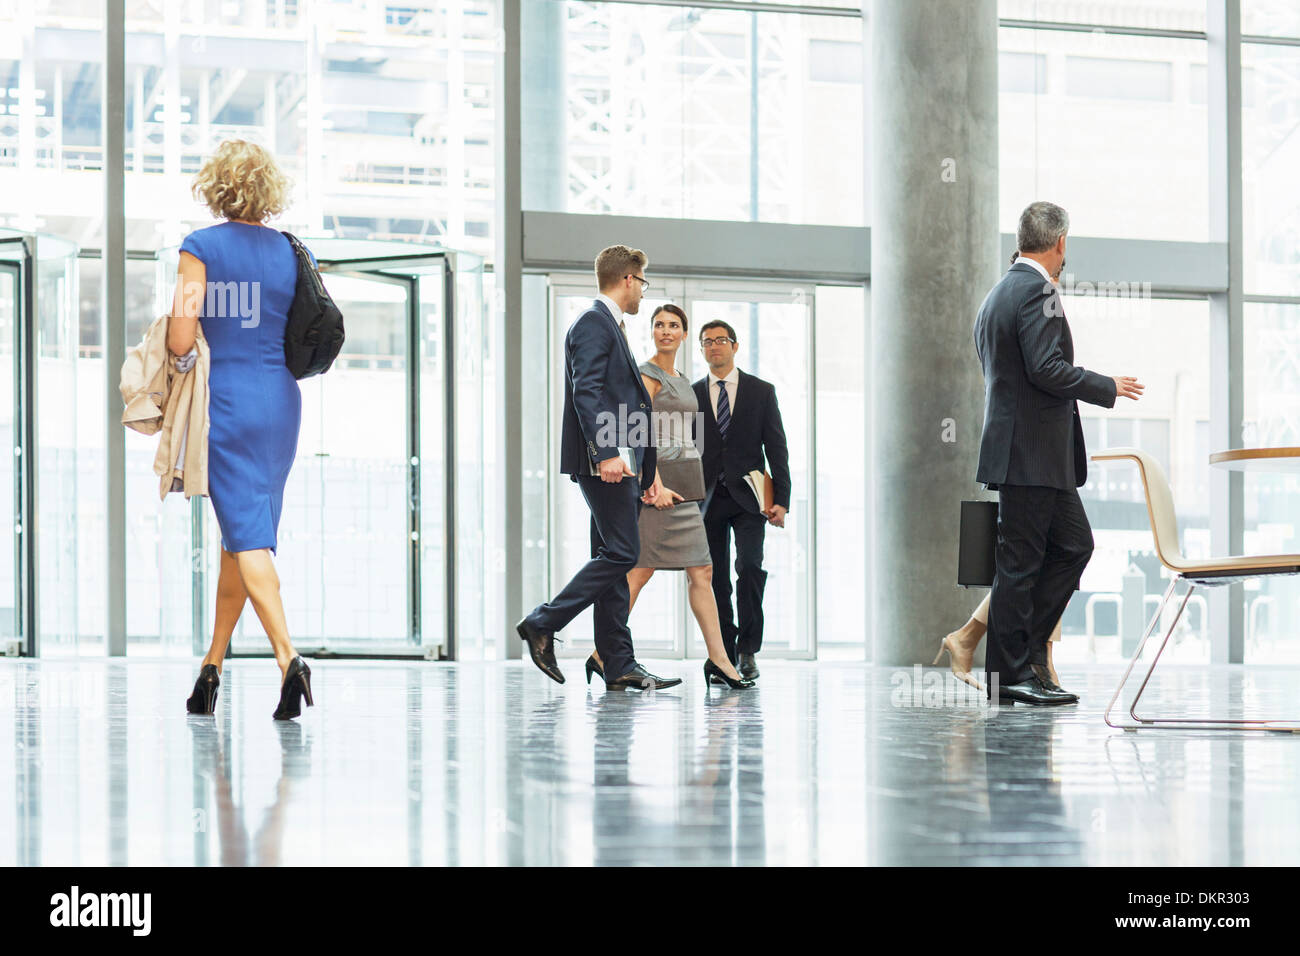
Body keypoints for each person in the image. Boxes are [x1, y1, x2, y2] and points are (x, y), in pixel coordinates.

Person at [973, 200, 1144, 705]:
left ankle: (1025, 656)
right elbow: (1047, 368)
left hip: (1033, 456)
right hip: (1029, 455)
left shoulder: (997, 295)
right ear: (1061, 242)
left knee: (1074, 545)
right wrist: (1105, 385)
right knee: (1020, 565)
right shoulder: (1036, 291)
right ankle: (1010, 679)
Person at [174, 139, 314, 720]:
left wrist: (177, 365)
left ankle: (289, 660)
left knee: (246, 536)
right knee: (243, 534)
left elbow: (182, 339)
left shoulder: (200, 247)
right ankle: (211, 668)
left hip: (226, 401)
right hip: (280, 401)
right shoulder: (289, 250)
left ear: (216, 188)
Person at [516, 245, 682, 691]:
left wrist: (644, 472)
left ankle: (617, 662)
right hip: (605, 463)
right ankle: (542, 622)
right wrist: (606, 453)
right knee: (623, 554)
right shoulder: (594, 322)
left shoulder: (608, 323)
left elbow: (618, 398)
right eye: (642, 282)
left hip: (618, 464)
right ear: (628, 279)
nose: (643, 293)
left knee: (609, 556)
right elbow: (585, 390)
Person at [585, 305, 754, 690]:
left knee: (702, 571)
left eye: (673, 326)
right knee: (641, 572)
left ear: (683, 334)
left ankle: (720, 661)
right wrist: (652, 482)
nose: (666, 331)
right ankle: (604, 651)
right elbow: (635, 432)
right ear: (652, 332)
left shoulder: (683, 379)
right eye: (659, 325)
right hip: (657, 492)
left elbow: (685, 437)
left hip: (687, 492)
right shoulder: (646, 376)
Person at [693, 320, 791, 681]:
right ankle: (725, 653)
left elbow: (776, 446)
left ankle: (749, 650)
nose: (714, 346)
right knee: (714, 579)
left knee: (749, 567)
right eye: (707, 342)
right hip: (706, 501)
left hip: (750, 498)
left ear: (735, 346)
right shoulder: (693, 394)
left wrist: (782, 498)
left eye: (721, 340)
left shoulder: (761, 391)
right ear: (702, 350)